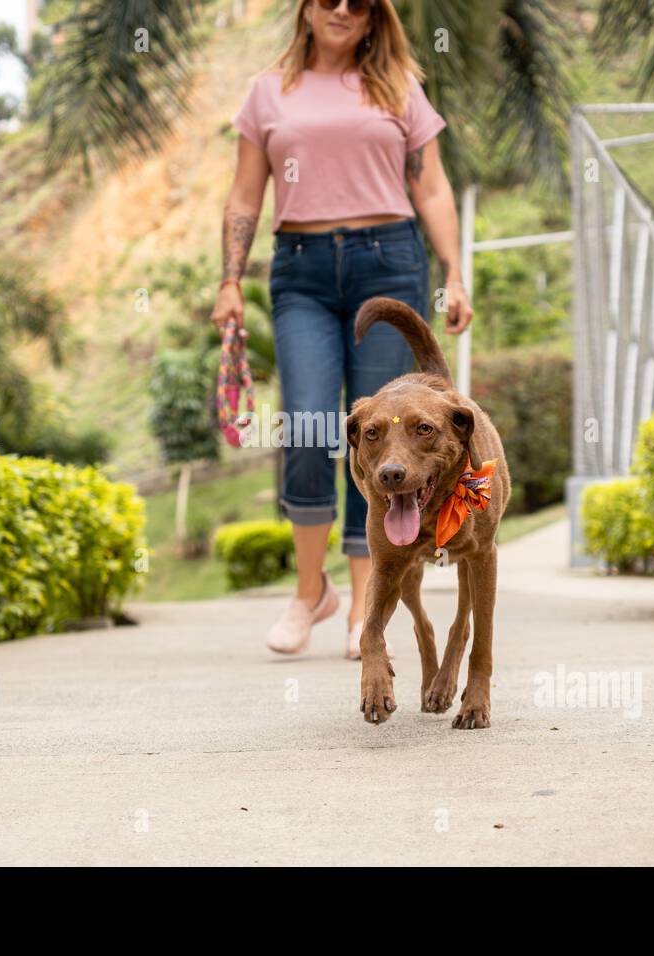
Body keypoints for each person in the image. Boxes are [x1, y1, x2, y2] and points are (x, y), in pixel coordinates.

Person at [211, 0, 472, 658]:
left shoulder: (399, 88)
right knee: (306, 423)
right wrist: (230, 280)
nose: (343, 8)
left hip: (387, 260)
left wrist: (455, 273)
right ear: (305, 8)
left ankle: (365, 604)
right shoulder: (268, 93)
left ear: (375, 14)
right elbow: (245, 195)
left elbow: (433, 188)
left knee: (385, 438)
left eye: (359, 0)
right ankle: (310, 593)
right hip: (299, 270)